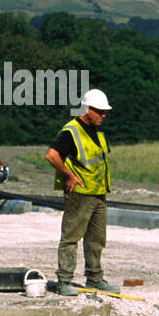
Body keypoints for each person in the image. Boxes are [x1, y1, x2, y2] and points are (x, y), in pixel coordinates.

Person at [45, 88, 114, 296]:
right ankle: (64, 280)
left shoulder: (98, 131)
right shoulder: (71, 131)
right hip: (80, 194)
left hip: (98, 193)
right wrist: (69, 175)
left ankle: (95, 279)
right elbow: (51, 155)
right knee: (71, 237)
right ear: (87, 109)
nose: (103, 115)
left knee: (96, 239)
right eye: (99, 111)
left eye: (104, 112)